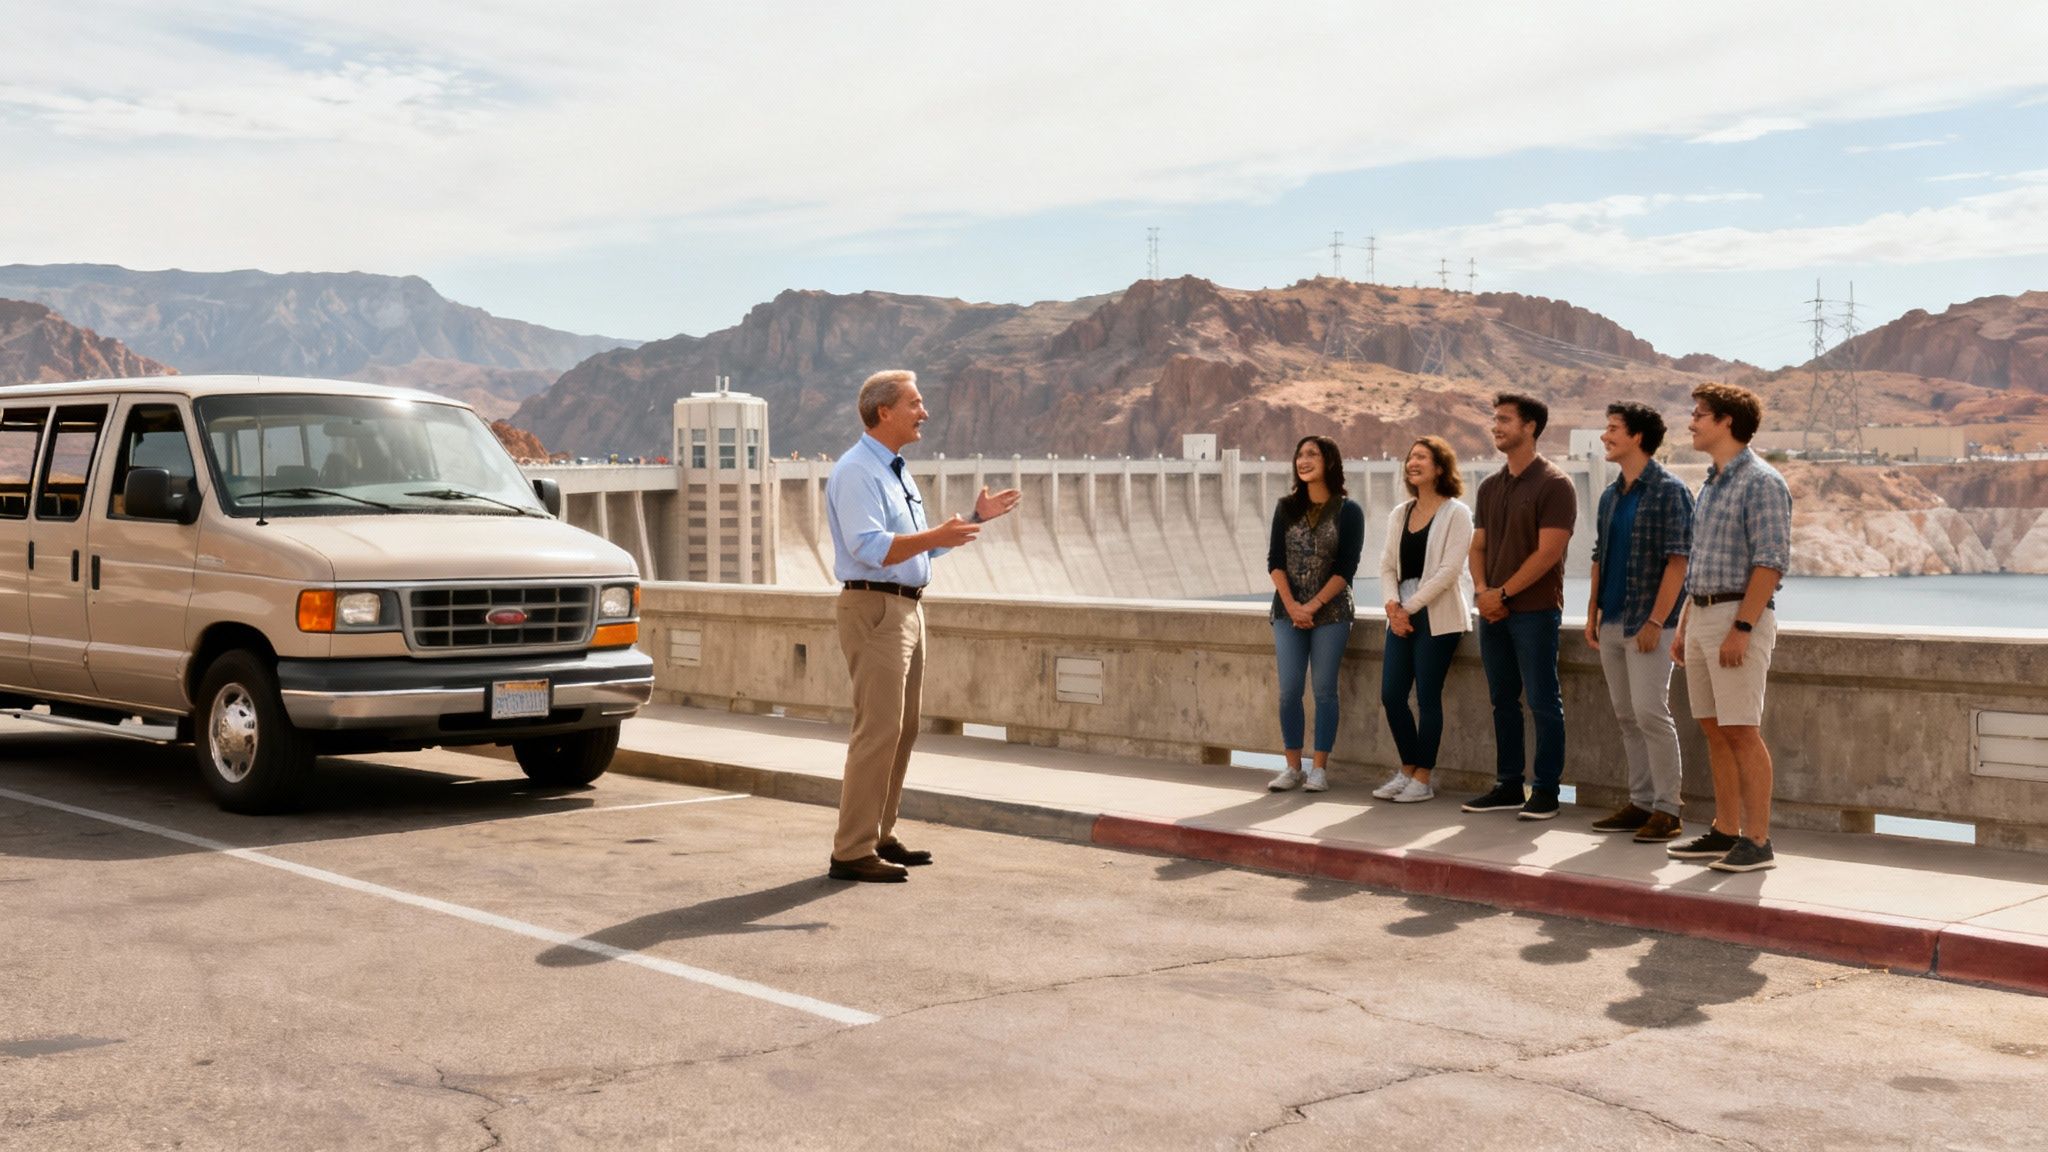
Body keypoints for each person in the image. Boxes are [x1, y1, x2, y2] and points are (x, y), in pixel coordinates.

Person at [823, 369, 1021, 882]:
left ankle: (879, 834)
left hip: (908, 606)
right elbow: (869, 547)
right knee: (878, 730)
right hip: (875, 610)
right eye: (915, 403)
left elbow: (917, 545)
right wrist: (937, 532)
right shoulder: (856, 472)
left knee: (903, 729)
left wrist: (971, 521)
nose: (924, 413)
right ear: (884, 411)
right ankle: (851, 850)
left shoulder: (895, 470)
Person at [1667, 383, 1792, 873]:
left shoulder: (1761, 481)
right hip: (1701, 614)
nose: (1691, 422)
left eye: (1699, 414)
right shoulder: (1713, 482)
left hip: (1737, 616)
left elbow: (1771, 561)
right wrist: (1683, 624)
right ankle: (1724, 830)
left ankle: (1758, 842)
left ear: (1726, 422)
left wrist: (1742, 626)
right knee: (1714, 729)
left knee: (1742, 730)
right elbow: (1699, 563)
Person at [1462, 393, 1577, 820]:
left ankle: (1546, 790)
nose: (1496, 426)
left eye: (1505, 420)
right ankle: (1508, 785)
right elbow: (1478, 546)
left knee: (1544, 701)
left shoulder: (1555, 484)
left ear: (1530, 427)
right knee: (1502, 701)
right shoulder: (1490, 486)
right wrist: (1481, 592)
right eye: (1495, 419)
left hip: (1534, 612)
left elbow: (1548, 553)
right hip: (1491, 611)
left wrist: (1503, 594)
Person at [1584, 403, 1693, 843]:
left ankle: (1669, 809)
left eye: (1612, 429)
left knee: (1651, 713)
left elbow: (1679, 560)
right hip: (1611, 620)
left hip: (1650, 623)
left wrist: (1656, 619)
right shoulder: (1612, 495)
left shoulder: (1670, 490)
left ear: (1637, 437)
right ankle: (1641, 801)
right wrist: (1592, 613)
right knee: (1627, 716)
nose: (1605, 436)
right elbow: (1599, 557)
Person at [1372, 436, 1473, 804]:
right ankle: (1408, 768)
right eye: (1410, 457)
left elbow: (1449, 572)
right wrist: (1391, 605)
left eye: (1422, 457)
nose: (1412, 463)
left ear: (1440, 468)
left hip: (1438, 614)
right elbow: (1386, 565)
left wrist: (1407, 608)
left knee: (1428, 698)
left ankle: (1423, 778)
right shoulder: (1400, 513)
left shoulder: (1457, 513)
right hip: (1400, 612)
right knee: (1392, 695)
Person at [1265, 435, 1366, 793]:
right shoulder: (1285, 507)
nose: (1303, 460)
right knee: (1289, 691)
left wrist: (1313, 606)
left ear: (1330, 462)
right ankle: (1292, 768)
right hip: (1287, 611)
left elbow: (1346, 568)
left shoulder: (1348, 511)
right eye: (1300, 454)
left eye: (1313, 454)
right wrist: (1293, 605)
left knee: (1325, 690)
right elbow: (1274, 561)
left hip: (1332, 612)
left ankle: (1319, 769)